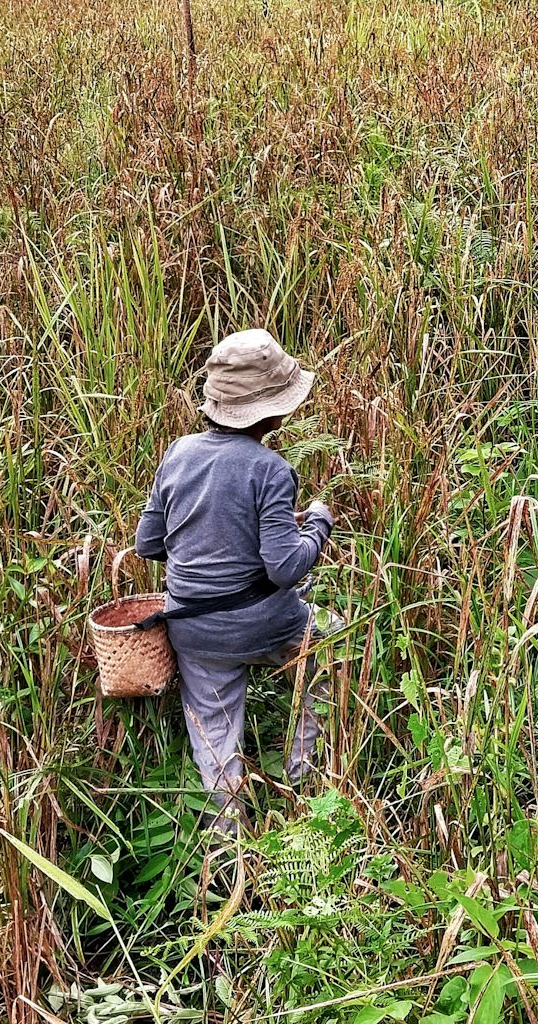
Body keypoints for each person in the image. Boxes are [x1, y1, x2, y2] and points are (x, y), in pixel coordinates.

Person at [134, 328, 335, 836]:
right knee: (329, 652)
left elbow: (148, 544)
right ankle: (304, 788)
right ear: (270, 412)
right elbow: (286, 568)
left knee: (215, 740)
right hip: (267, 624)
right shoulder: (271, 471)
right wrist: (317, 524)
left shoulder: (177, 454)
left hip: (194, 631)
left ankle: (229, 852)